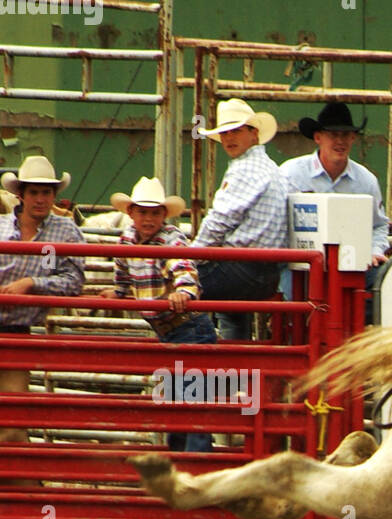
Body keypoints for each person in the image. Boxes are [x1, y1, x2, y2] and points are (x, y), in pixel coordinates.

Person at [101, 176, 216, 453]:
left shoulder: (171, 238)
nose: (149, 219)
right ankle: (182, 468)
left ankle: (196, 470)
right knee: (178, 404)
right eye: (143, 212)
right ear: (131, 213)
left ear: (164, 215)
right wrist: (118, 292)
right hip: (171, 330)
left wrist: (184, 292)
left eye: (155, 213)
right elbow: (123, 270)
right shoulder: (126, 239)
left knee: (193, 404)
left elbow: (183, 266)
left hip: (189, 327)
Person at [0, 156, 85, 448]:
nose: (40, 199)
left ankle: (19, 486)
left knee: (12, 428)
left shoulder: (66, 232)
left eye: (46, 192)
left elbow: (73, 282)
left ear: (54, 196)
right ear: (20, 194)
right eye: (34, 192)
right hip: (13, 334)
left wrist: (33, 284)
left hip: (15, 334)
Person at [191, 98, 289, 340]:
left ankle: (199, 355)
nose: (229, 138)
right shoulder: (270, 167)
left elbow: (220, 220)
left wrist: (188, 259)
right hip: (267, 273)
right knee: (231, 315)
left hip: (242, 269)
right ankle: (234, 367)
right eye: (225, 133)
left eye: (236, 130)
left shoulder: (245, 168)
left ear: (254, 134)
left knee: (171, 284)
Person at [280, 101, 390, 292]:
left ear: (353, 138)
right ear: (318, 137)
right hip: (299, 266)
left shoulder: (366, 180)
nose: (340, 141)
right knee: (297, 301)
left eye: (345, 135)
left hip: (351, 266)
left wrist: (374, 251)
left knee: (386, 281)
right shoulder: (290, 173)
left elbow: (379, 226)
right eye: (333, 135)